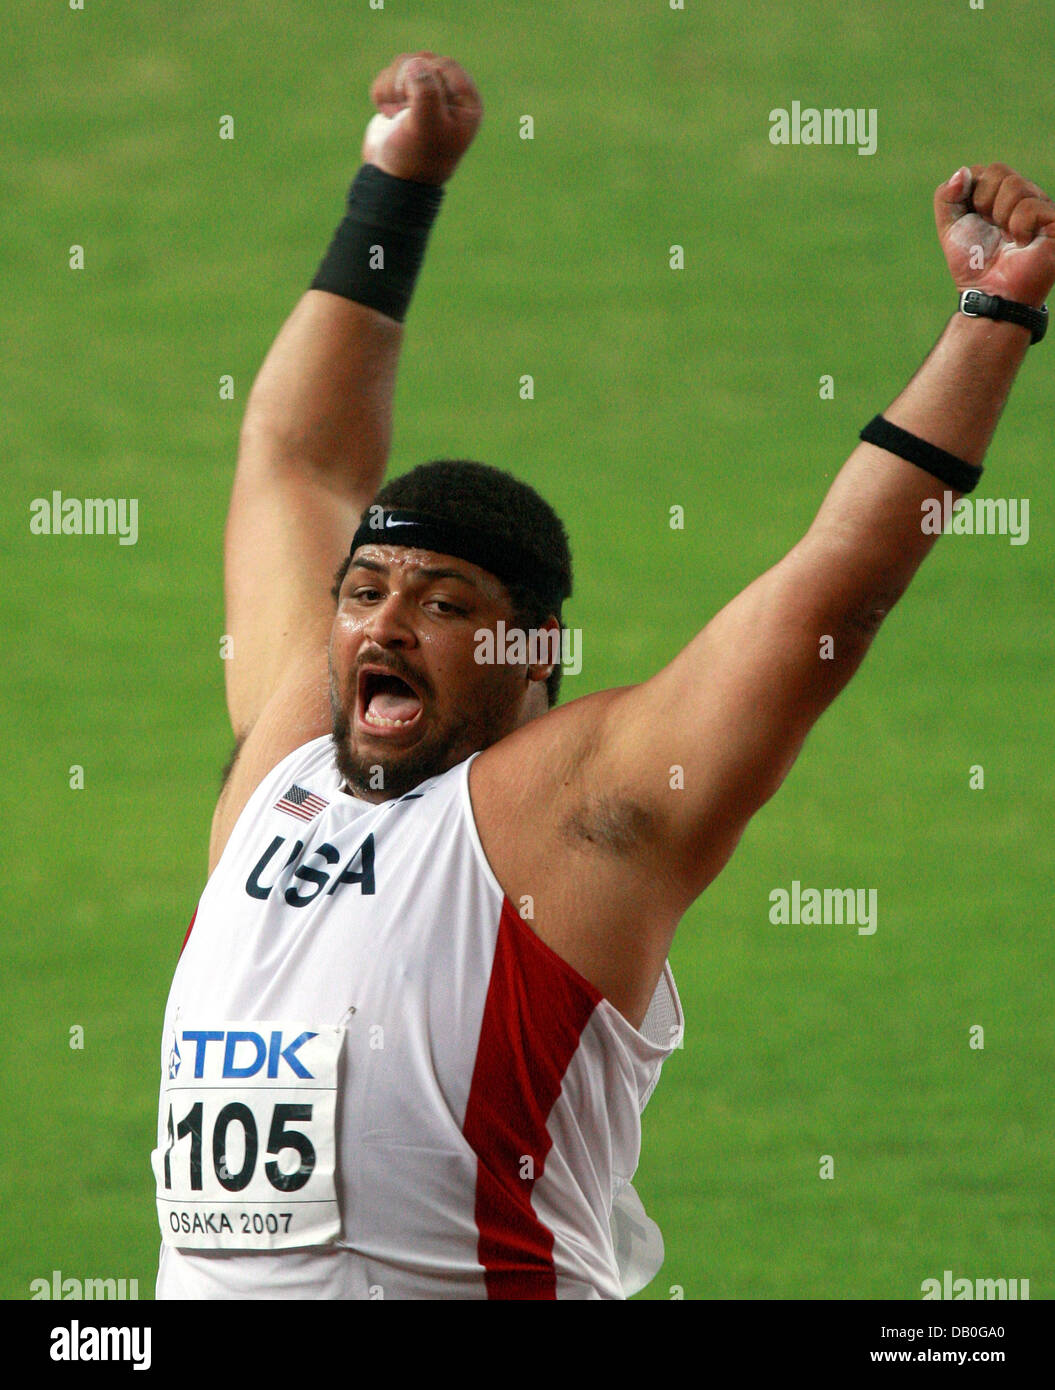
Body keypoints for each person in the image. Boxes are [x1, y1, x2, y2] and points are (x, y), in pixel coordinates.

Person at [152, 50, 1053, 1300]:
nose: (382, 624)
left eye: (443, 603)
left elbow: (829, 595)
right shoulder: (283, 768)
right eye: (364, 594)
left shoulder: (565, 818)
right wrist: (394, 187)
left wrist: (991, 321)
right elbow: (298, 463)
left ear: (534, 657)